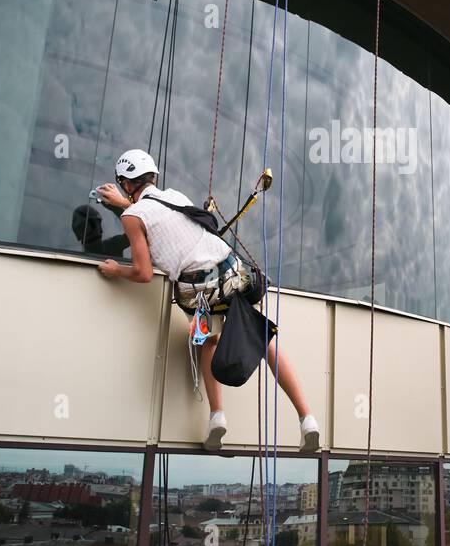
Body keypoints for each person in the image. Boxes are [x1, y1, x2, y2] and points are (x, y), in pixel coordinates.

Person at [95, 148, 320, 453]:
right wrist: (125, 204)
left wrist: (115, 270)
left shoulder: (133, 217)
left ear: (124, 182)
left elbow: (143, 272)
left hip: (199, 292)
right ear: (153, 177)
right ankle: (307, 418)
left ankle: (217, 416)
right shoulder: (174, 194)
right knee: (264, 340)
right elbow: (164, 216)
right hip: (229, 272)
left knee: (206, 341)